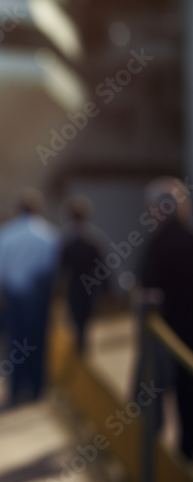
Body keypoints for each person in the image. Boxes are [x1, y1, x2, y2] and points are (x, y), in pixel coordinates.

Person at [0, 188, 60, 405]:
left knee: (14, 344)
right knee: (37, 343)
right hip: (39, 297)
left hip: (14, 296)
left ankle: (15, 391)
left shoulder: (6, 233)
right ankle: (36, 390)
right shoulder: (49, 235)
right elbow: (52, 269)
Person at [139, 178, 193, 460]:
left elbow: (146, 289)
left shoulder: (156, 245)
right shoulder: (189, 239)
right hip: (186, 335)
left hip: (164, 338)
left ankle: (151, 457)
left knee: (154, 399)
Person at [58, 194, 108, 354]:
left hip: (74, 286)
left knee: (77, 319)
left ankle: (80, 349)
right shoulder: (93, 237)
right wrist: (107, 289)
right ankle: (82, 348)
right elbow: (103, 265)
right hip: (89, 286)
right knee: (84, 321)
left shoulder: (66, 239)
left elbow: (60, 267)